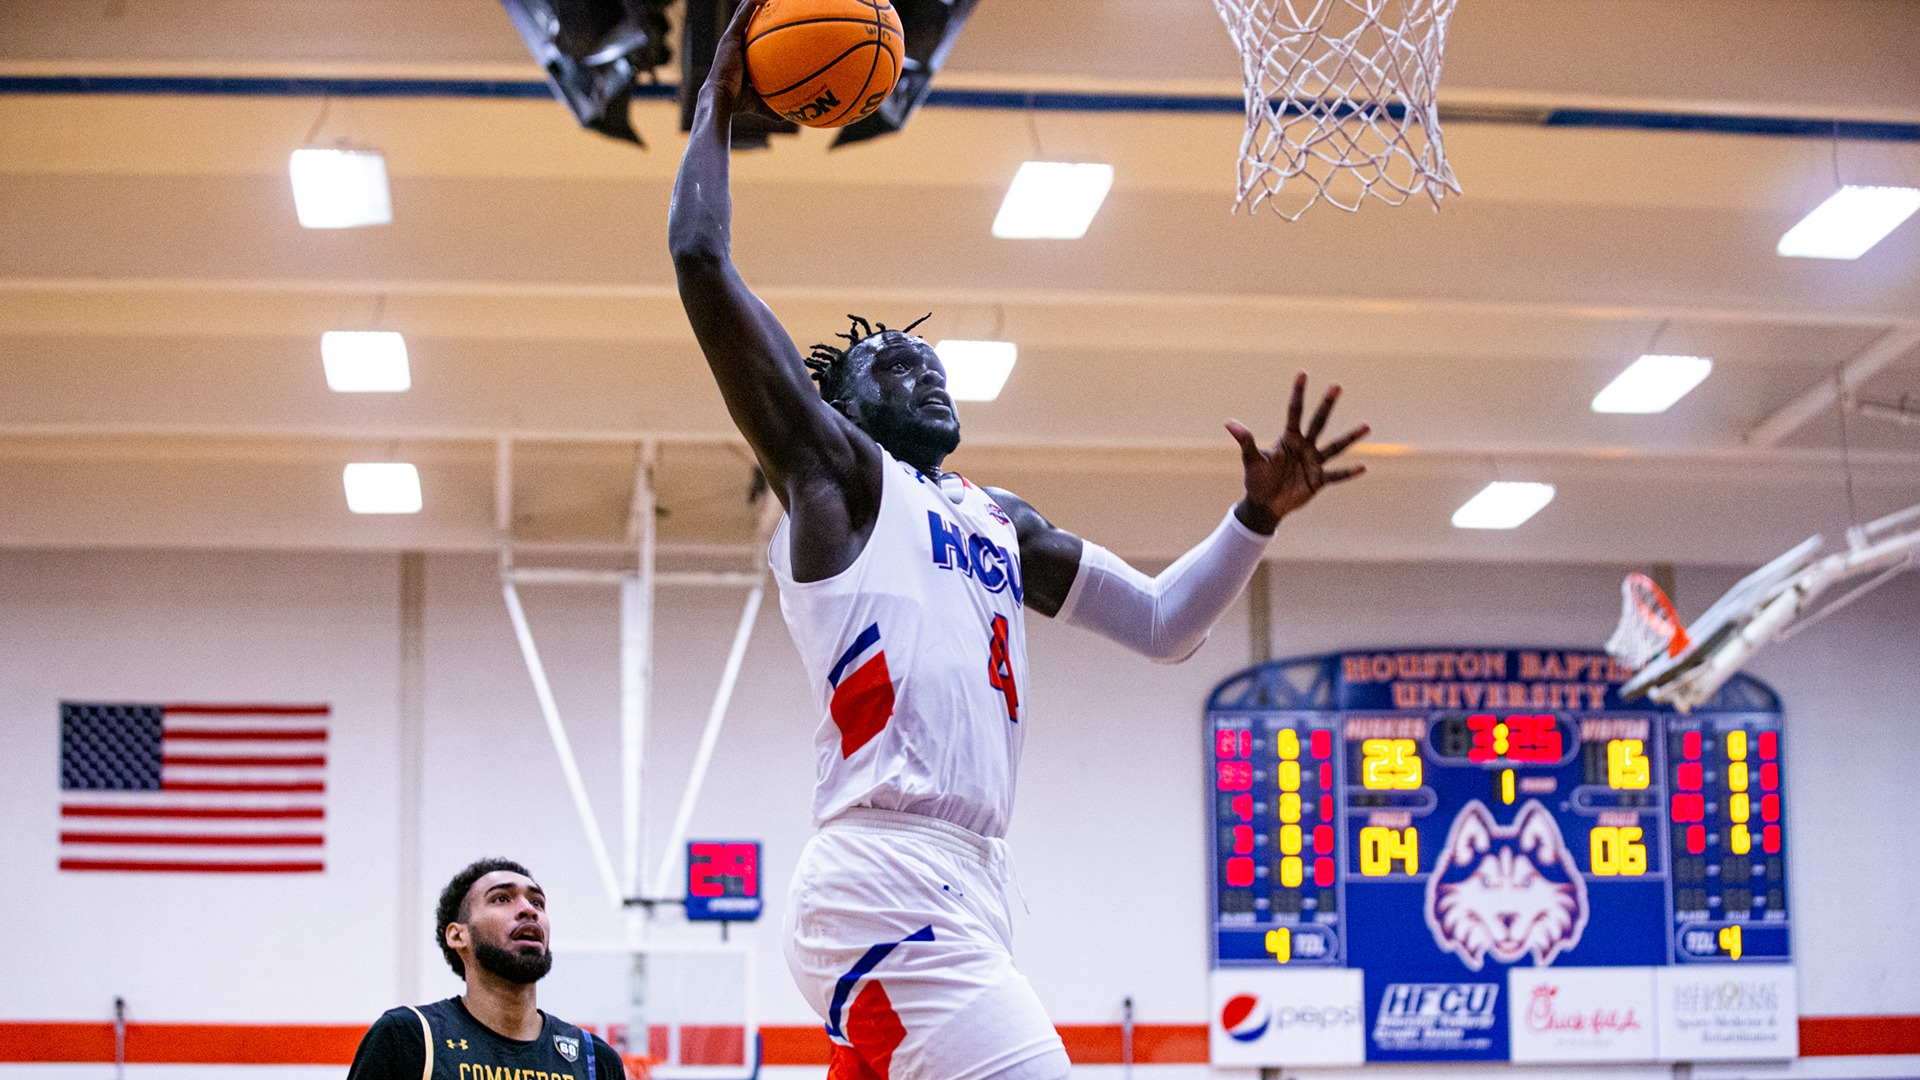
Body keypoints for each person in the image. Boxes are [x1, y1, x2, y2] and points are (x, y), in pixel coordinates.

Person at [669, 5, 1368, 1077]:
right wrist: (716, 99)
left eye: (930, 359)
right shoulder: (843, 484)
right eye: (892, 366)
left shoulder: (1003, 524)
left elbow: (1167, 625)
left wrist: (1255, 518)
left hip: (976, 879)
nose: (925, 369)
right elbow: (703, 263)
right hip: (882, 874)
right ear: (842, 414)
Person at [345, 858, 623, 1080]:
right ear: (457, 935)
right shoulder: (408, 1037)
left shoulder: (595, 1060)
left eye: (537, 902)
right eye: (502, 898)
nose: (529, 910)